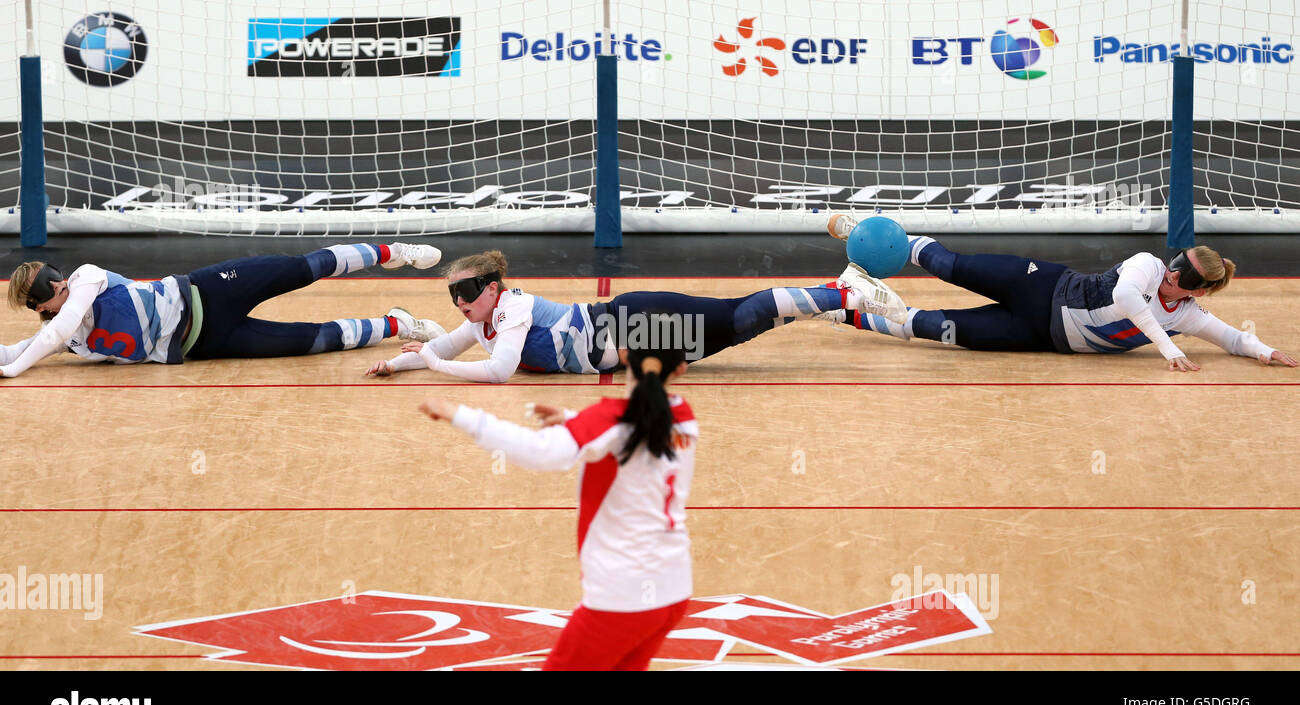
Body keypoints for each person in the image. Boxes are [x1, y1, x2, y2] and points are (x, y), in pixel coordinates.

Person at [418, 324, 696, 670]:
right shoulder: (683, 417)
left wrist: (461, 416)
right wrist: (573, 419)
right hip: (673, 590)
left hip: (622, 597)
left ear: (624, 355)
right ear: (682, 368)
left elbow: (540, 452)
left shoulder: (612, 420)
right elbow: (628, 436)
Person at [819, 214, 1297, 372]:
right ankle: (870, 233)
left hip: (1036, 334)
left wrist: (1264, 351)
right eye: (1178, 265)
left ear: (1202, 292)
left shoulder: (1185, 316)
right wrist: (1168, 349)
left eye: (1188, 280)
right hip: (1041, 284)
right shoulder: (1146, 266)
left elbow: (1232, 338)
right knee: (949, 265)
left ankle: (840, 306)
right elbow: (1131, 301)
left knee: (922, 325)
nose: (1175, 277)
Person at [365, 248, 907, 382]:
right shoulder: (483, 319)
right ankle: (827, 303)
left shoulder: (513, 311)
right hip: (637, 336)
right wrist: (399, 366)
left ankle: (842, 291)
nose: (460, 307)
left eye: (466, 296)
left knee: (740, 320)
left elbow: (500, 370)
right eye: (454, 300)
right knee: (740, 327)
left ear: (493, 289)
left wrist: (434, 368)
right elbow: (444, 348)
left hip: (640, 325)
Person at [2, 242, 447, 377]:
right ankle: (397, 322)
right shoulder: (71, 338)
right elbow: (25, 345)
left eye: (53, 278)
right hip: (207, 343)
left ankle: (392, 251)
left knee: (300, 269)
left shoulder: (86, 277)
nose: (58, 284)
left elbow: (47, 339)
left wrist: (14, 370)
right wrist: (10, 360)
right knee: (314, 340)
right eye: (47, 291)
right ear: (41, 302)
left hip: (208, 291)